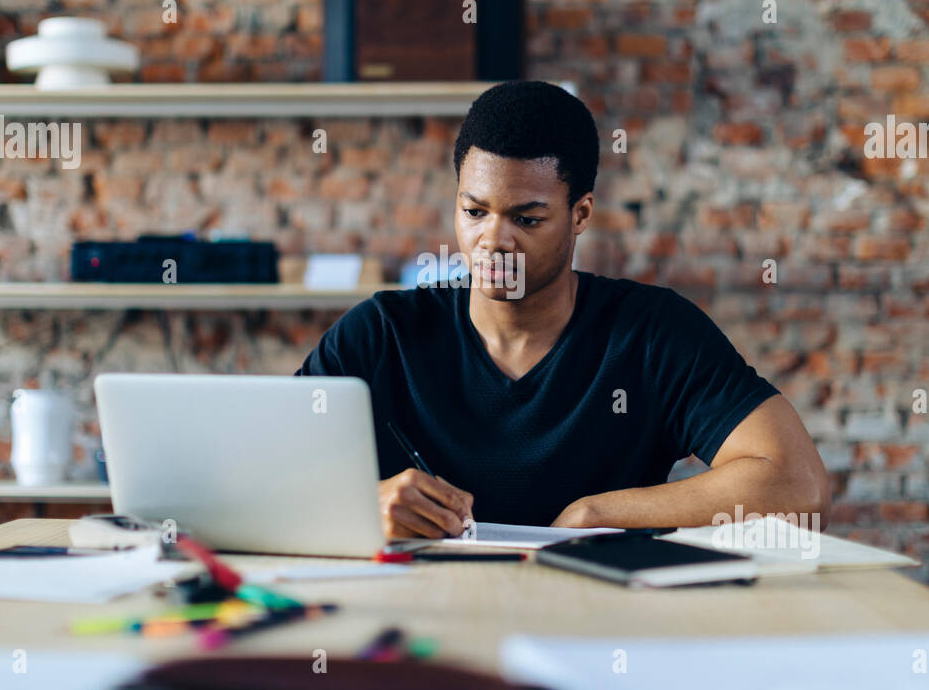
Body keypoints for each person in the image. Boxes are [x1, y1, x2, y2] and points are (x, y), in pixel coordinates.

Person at [297, 80, 829, 539]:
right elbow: (265, 478)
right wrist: (364, 503)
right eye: (475, 211)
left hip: (597, 614)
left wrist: (596, 513)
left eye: (527, 219)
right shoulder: (382, 334)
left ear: (581, 214)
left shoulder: (652, 334)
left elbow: (798, 486)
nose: (493, 241)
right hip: (422, 610)